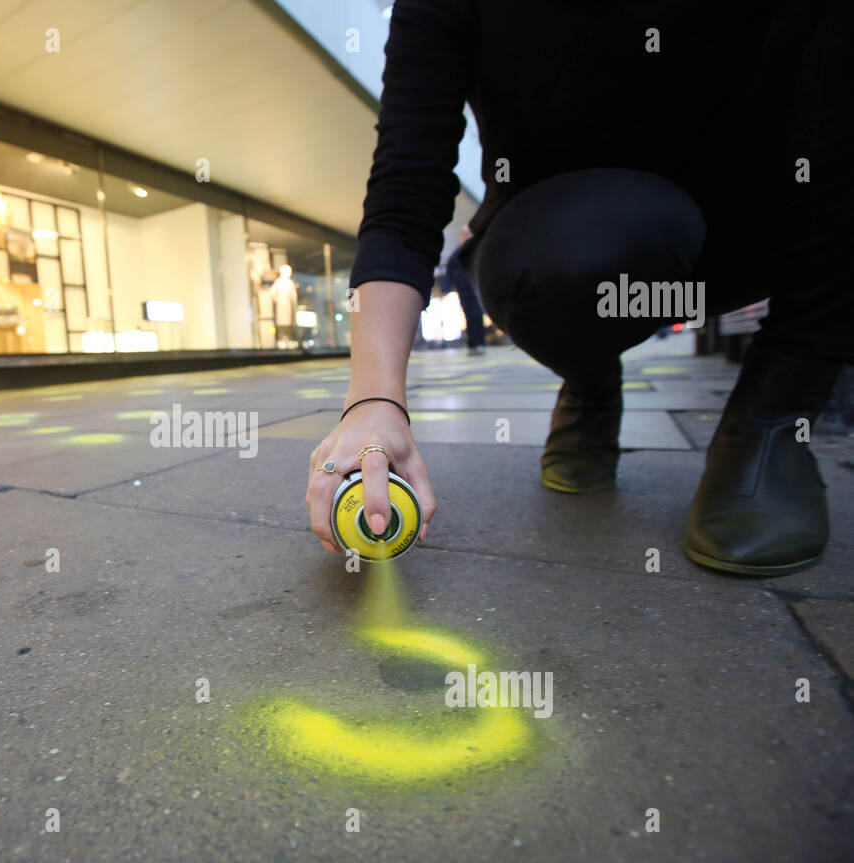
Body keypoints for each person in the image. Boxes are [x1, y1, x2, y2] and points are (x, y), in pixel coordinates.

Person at [307, 0, 851, 578]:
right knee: (567, 255)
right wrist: (374, 401)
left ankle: (773, 415)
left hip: (769, 226)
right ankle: (590, 379)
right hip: (568, 246)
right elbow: (405, 190)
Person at [448, 225, 486, 355]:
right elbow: (450, 272)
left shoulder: (479, 251)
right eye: (465, 235)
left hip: (478, 289)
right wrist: (448, 288)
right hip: (465, 291)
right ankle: (473, 344)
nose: (467, 237)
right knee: (469, 316)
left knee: (477, 315)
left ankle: (480, 343)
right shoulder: (457, 255)